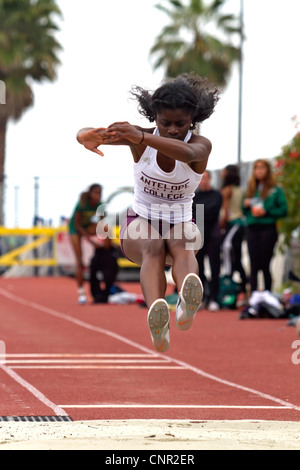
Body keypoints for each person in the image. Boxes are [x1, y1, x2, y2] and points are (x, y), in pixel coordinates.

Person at [77, 72, 219, 352]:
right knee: (153, 244)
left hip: (181, 222)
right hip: (140, 222)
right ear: (155, 117)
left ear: (193, 120)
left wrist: (141, 136)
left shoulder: (200, 146)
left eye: (181, 124)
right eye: (165, 123)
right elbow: (89, 134)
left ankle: (185, 302)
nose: (174, 130)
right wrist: (84, 136)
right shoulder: (138, 139)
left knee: (182, 242)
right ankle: (158, 319)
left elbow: (186, 155)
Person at [242, 159, 288, 293]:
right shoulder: (251, 189)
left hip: (268, 229)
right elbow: (243, 210)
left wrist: (266, 212)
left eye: (262, 168)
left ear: (267, 170)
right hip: (252, 229)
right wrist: (246, 206)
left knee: (265, 264)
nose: (259, 171)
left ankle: (267, 295)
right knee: (254, 265)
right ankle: (254, 297)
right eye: (256, 168)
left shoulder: (275, 190)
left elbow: (283, 210)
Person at [192, 170, 222, 311]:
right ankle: (201, 298)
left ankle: (214, 298)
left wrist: (199, 212)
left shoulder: (216, 195)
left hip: (213, 236)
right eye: (201, 178)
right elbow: (191, 213)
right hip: (197, 235)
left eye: (206, 178)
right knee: (198, 268)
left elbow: (213, 212)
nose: (203, 181)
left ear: (210, 179)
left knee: (214, 267)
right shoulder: (194, 196)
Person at [68, 183, 103, 304]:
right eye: (96, 193)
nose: (99, 196)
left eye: (100, 193)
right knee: (80, 260)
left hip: (87, 227)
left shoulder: (100, 205)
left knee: (106, 228)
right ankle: (81, 292)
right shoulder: (82, 204)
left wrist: (102, 240)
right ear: (91, 194)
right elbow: (77, 225)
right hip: (75, 229)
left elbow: (102, 223)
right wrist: (91, 241)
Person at [220, 164, 248, 302]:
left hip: (234, 223)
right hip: (240, 223)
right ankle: (243, 286)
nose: (221, 173)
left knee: (226, 246)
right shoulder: (240, 189)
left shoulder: (227, 190)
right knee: (237, 257)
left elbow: (225, 211)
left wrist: (221, 224)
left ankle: (228, 275)